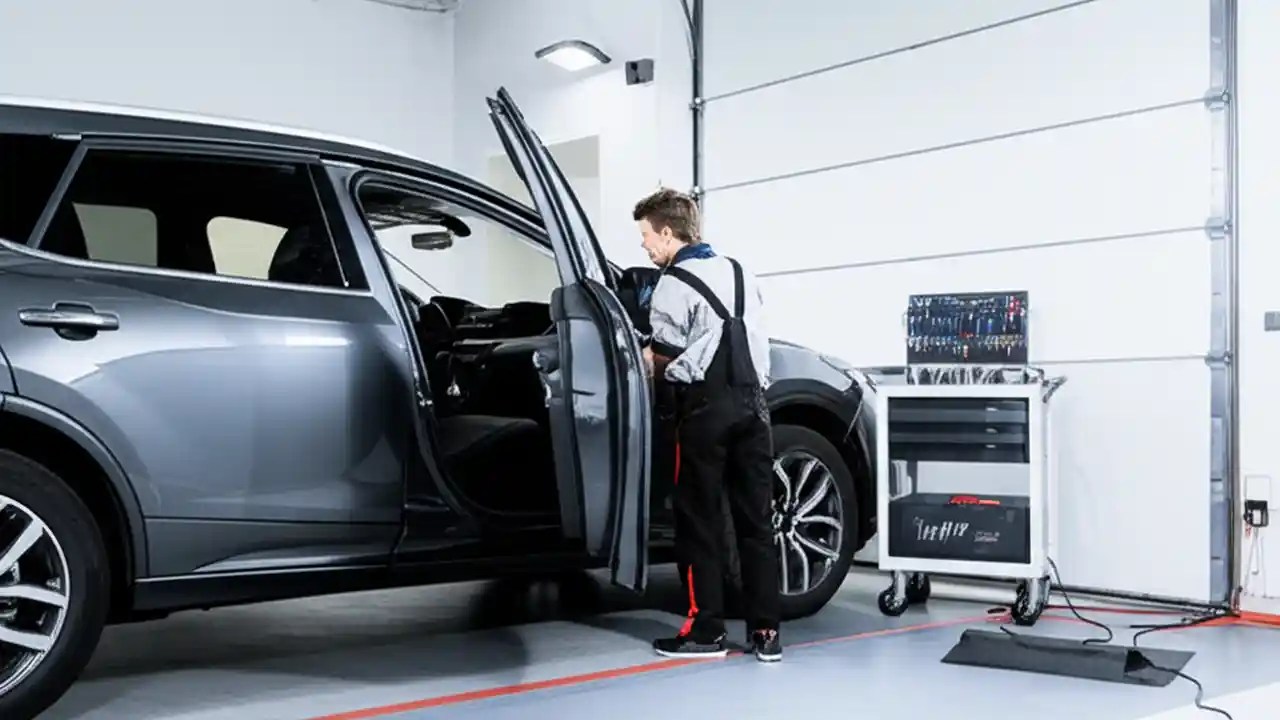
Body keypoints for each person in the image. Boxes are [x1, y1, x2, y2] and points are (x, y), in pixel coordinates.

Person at [633, 187, 782, 662]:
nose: (644, 246)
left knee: (700, 521)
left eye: (646, 235)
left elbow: (666, 357)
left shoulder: (672, 284)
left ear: (667, 232)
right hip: (754, 408)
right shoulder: (741, 272)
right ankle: (766, 633)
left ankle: (706, 631)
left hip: (704, 412)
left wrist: (641, 361)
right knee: (756, 523)